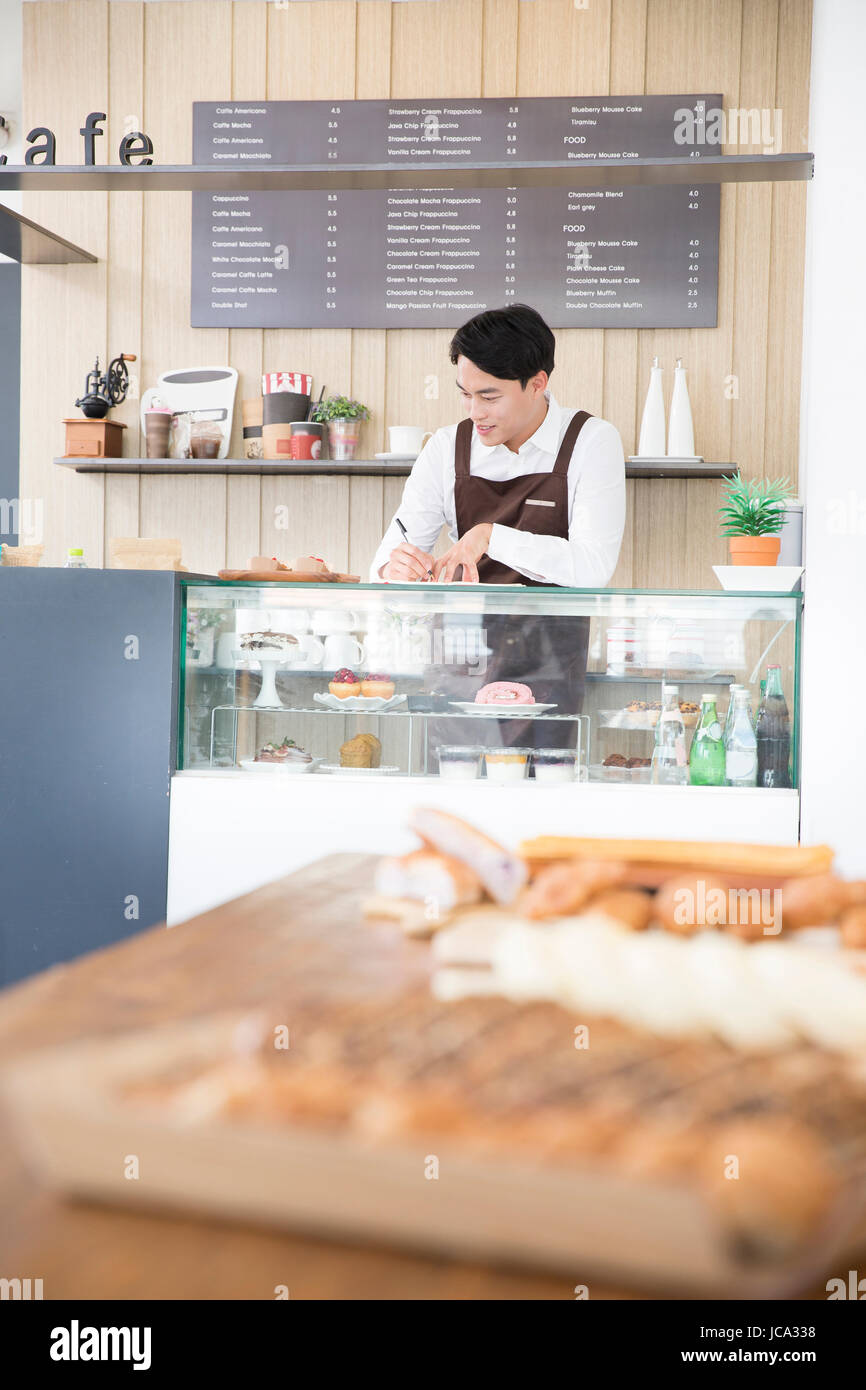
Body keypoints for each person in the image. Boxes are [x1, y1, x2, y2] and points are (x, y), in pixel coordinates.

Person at [369, 303, 626, 755]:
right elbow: (387, 562)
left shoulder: (591, 440)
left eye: (489, 397)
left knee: (538, 803)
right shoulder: (446, 447)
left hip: (548, 673)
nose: (475, 412)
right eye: (465, 395)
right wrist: (397, 567)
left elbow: (592, 568)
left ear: (537, 383)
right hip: (459, 667)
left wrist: (491, 535)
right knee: (457, 801)